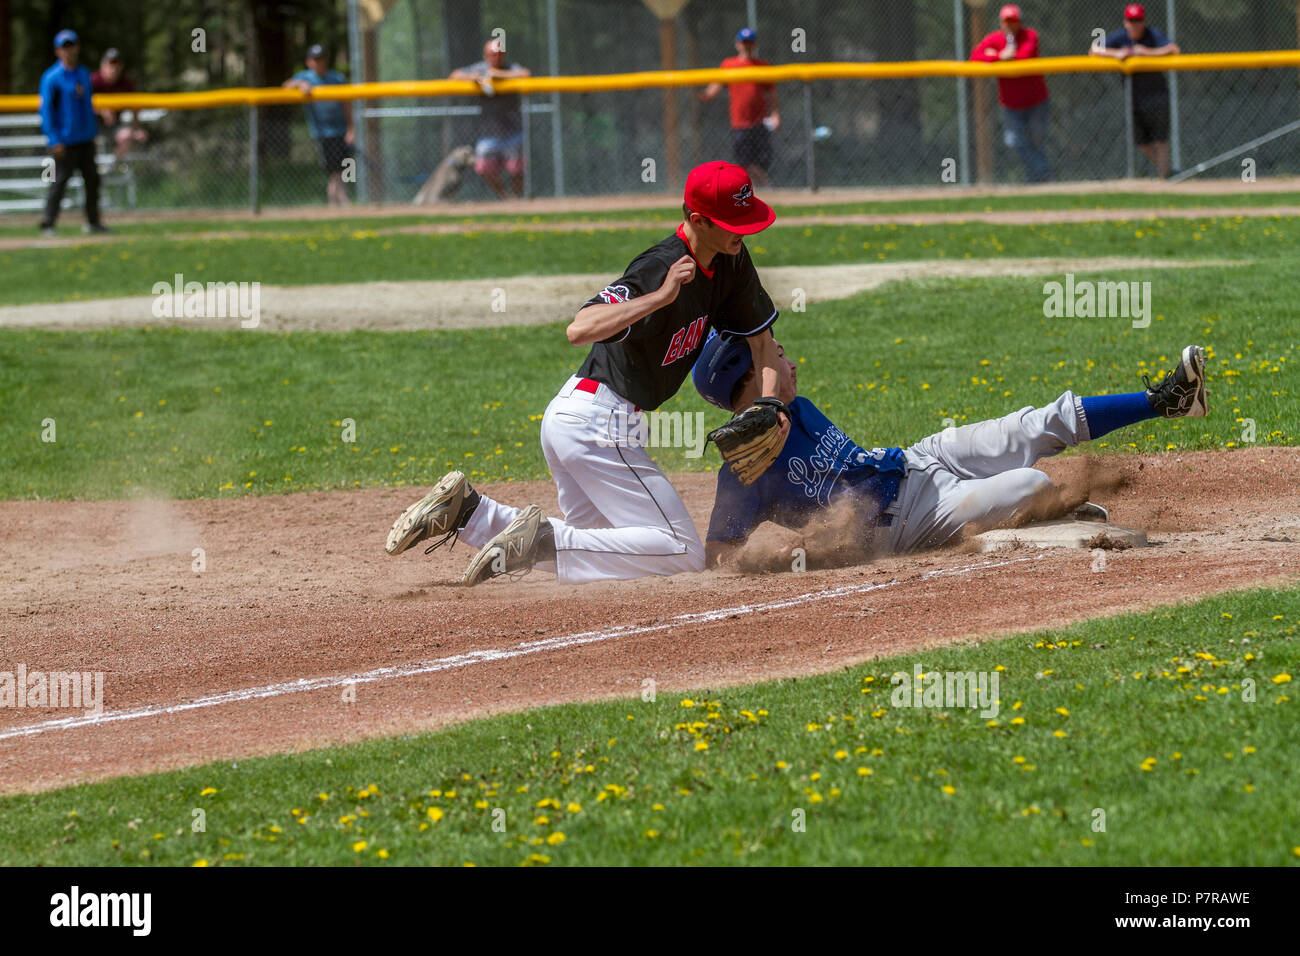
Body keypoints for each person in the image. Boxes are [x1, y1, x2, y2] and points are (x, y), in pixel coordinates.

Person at [384, 161, 792, 585]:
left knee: (607, 548)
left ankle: (470, 513)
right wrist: (661, 296)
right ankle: (545, 537)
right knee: (682, 551)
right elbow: (580, 328)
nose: (742, 232)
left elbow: (761, 344)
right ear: (697, 220)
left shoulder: (730, 259)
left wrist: (769, 404)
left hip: (584, 419)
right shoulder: (660, 265)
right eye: (731, 223)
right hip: (597, 422)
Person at [692, 334, 1207, 568]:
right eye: (775, 356)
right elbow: (719, 554)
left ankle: (1167, 401)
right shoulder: (742, 469)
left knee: (1032, 426)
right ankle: (1047, 508)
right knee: (1034, 483)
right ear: (744, 373)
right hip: (909, 521)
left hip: (917, 458)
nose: (787, 361)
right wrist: (777, 556)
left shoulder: (795, 408)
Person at [1090, 3, 1181, 179]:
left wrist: (1147, 52)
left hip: (1157, 96)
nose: (1134, 24)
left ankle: (1165, 179)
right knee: (1143, 144)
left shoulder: (1153, 35)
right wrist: (1116, 54)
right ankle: (1169, 173)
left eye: (1138, 20)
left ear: (1144, 21)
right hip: (1134, 100)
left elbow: (1174, 49)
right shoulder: (1120, 37)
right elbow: (1094, 50)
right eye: (1131, 21)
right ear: (1125, 22)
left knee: (1160, 140)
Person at [970, 4, 1052, 183]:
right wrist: (999, 56)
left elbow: (1024, 56)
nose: (1009, 25)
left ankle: (1037, 178)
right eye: (1006, 21)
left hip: (1036, 100)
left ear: (1019, 22)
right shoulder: (995, 39)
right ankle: (1042, 173)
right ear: (1000, 23)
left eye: (1013, 21)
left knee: (1038, 139)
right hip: (1011, 104)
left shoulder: (1030, 36)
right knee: (1013, 141)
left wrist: (999, 56)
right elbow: (975, 56)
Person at [38, 30, 105, 236]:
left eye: (72, 45)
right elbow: (46, 111)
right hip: (64, 141)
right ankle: (48, 223)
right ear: (58, 50)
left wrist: (93, 134)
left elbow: (87, 106)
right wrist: (54, 139)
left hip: (85, 138)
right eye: (64, 46)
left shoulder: (84, 74)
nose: (69, 50)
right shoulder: (51, 78)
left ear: (77, 47)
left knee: (93, 180)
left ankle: (92, 222)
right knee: (59, 183)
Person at [450, 39, 531, 199]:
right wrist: (474, 77)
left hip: (512, 129)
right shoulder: (481, 69)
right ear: (486, 56)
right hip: (490, 131)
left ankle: (516, 200)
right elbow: (454, 75)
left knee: (516, 168)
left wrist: (500, 75)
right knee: (483, 167)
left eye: (499, 54)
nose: (496, 57)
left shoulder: (510, 68)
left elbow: (525, 74)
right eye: (493, 54)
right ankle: (503, 197)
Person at [699, 27, 780, 186]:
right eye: (744, 42)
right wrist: (705, 95)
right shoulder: (729, 64)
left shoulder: (762, 65)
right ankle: (765, 186)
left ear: (755, 45)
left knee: (763, 160)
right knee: (744, 160)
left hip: (760, 120)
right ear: (737, 44)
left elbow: (772, 94)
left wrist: (775, 114)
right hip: (739, 122)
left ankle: (758, 186)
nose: (746, 46)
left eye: (750, 42)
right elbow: (715, 87)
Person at [282, 44, 354, 206]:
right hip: (322, 133)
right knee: (334, 169)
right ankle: (339, 200)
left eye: (322, 59)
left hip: (341, 131)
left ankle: (338, 200)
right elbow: (285, 86)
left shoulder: (337, 78)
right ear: (309, 62)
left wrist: (351, 128)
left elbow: (347, 105)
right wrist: (300, 84)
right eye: (316, 60)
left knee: (346, 168)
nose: (320, 62)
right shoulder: (305, 77)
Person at [91, 48, 146, 163]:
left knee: (127, 136)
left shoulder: (126, 83)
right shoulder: (93, 80)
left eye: (117, 64)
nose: (114, 68)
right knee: (87, 142)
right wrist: (102, 110)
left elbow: (136, 105)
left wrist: (137, 128)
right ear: (103, 65)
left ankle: (112, 168)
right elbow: (81, 104)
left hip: (115, 125)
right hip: (91, 124)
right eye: (111, 64)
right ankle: (93, 169)